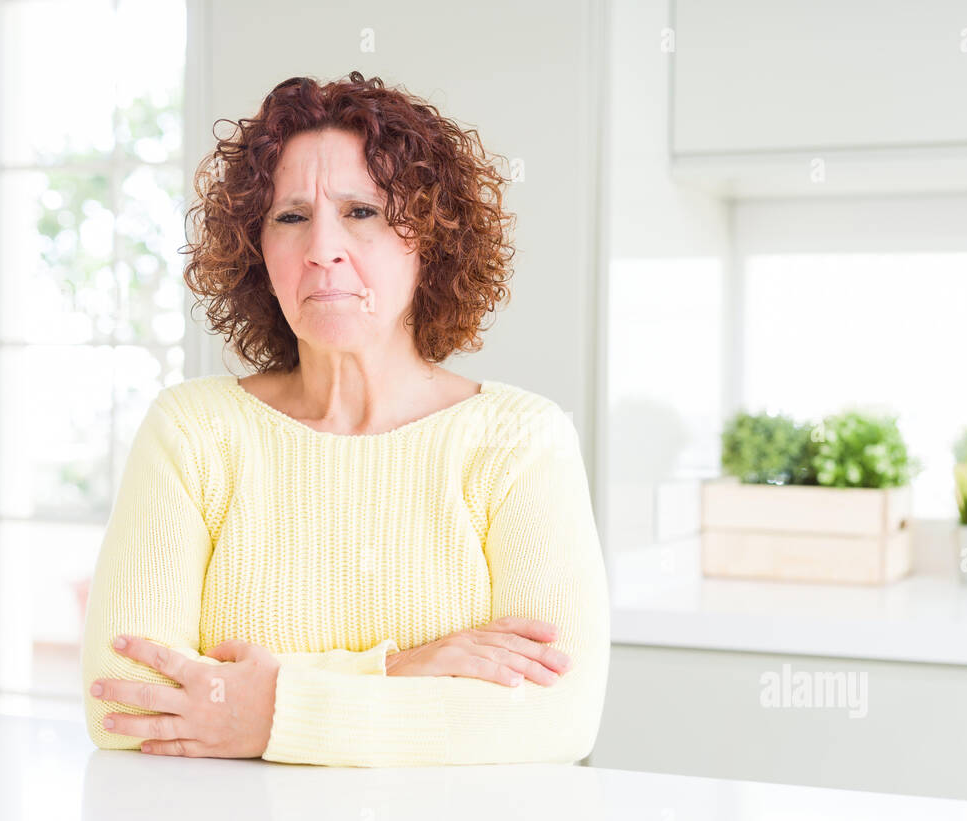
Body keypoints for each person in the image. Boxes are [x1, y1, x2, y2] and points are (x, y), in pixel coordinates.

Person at [79, 72, 610, 766]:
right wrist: (400, 669)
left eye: (361, 211)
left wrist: (266, 710)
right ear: (258, 251)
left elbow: (556, 715)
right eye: (290, 217)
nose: (322, 248)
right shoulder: (193, 432)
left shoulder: (519, 440)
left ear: (428, 239)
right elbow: (126, 705)